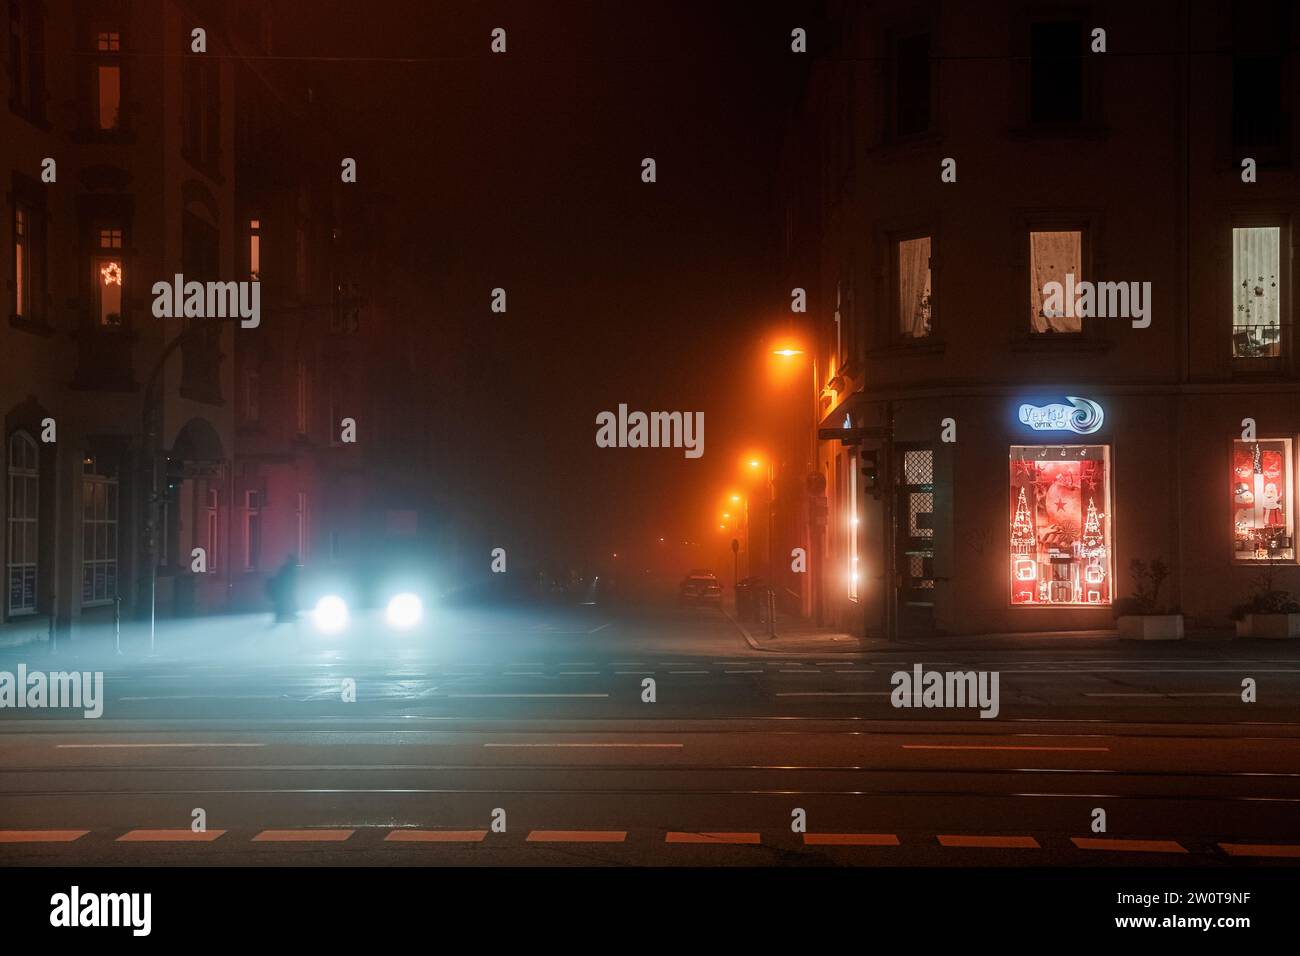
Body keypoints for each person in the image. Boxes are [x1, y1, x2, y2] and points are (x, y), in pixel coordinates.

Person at [266, 555, 300, 626]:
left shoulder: (288, 568)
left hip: (284, 590)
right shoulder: (289, 569)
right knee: (286, 600)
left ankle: (283, 615)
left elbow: (285, 579)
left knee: (285, 601)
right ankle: (285, 615)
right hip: (285, 590)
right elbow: (288, 580)